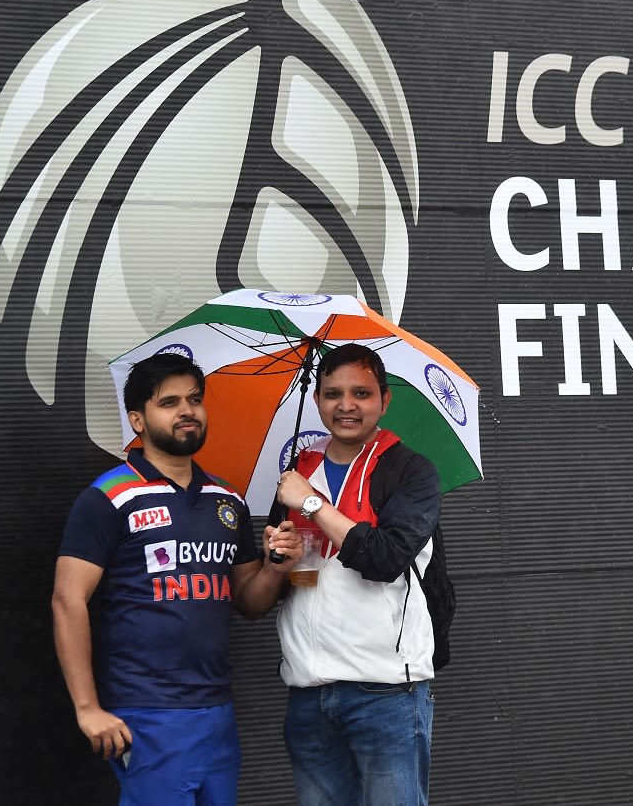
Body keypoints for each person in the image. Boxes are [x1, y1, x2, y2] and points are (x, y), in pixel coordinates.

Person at [51, 352, 301, 806]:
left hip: (218, 712)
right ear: (137, 420)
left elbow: (250, 603)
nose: (187, 410)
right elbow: (67, 599)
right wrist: (87, 709)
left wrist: (275, 568)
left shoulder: (227, 501)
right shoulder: (108, 496)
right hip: (146, 713)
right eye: (169, 402)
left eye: (194, 399)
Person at [269, 342, 443, 806]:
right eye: (333, 393)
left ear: (384, 401)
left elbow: (385, 559)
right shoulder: (297, 472)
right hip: (308, 694)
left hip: (385, 693)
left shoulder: (411, 471)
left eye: (361, 393)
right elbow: (289, 579)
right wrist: (277, 557)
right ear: (318, 399)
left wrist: (311, 504)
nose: (346, 405)